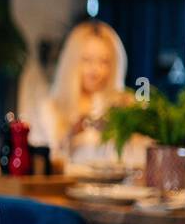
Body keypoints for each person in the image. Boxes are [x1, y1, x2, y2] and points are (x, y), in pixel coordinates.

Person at [35, 19, 138, 166]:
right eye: (87, 60)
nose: (95, 70)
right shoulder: (51, 108)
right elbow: (43, 161)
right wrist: (70, 136)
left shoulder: (127, 106)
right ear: (72, 62)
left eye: (104, 62)